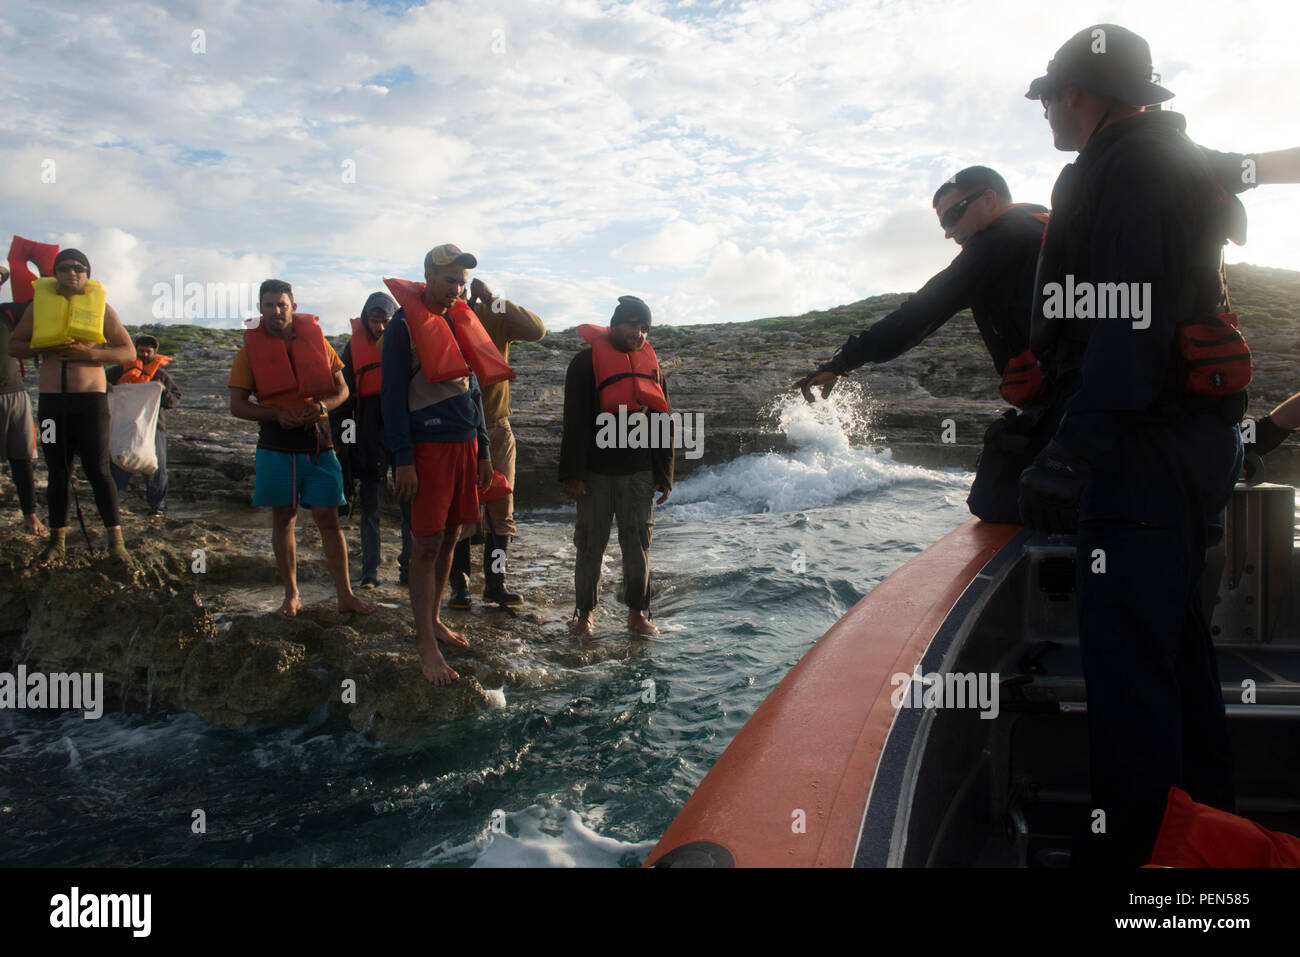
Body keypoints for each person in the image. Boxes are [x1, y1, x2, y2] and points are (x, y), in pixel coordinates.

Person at [1016, 24, 1245, 867]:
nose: (1045, 112)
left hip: (1143, 452)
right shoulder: (1167, 157)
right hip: (1185, 443)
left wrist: (1073, 449)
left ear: (1084, 95)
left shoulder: (1126, 166)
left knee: (1130, 671)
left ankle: (1143, 871)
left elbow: (1127, 320)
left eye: (1050, 97)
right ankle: (1206, 848)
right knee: (1177, 651)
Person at [796, 167, 1057, 523]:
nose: (949, 232)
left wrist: (841, 362)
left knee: (994, 500)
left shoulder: (1000, 241)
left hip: (1065, 400)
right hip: (1088, 396)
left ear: (989, 199)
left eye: (953, 215)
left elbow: (920, 313)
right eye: (943, 224)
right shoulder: (1042, 228)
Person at [381, 245, 504, 685]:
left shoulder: (459, 321)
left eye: (462, 283)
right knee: (426, 545)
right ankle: (425, 646)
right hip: (427, 450)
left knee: (454, 535)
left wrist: (485, 449)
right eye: (450, 280)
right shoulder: (402, 327)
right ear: (429, 276)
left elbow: (473, 393)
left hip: (465, 445)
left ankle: (433, 620)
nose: (457, 289)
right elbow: (391, 398)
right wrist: (403, 460)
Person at [228, 279, 375, 618]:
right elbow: (237, 405)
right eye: (268, 305)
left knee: (329, 520)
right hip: (275, 446)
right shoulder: (248, 351)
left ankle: (345, 595)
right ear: (260, 309)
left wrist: (323, 407)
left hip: (319, 444)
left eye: (282, 304)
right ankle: (291, 596)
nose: (276, 311)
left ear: (293, 305)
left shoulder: (318, 342)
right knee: (284, 518)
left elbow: (342, 390)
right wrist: (275, 414)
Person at [7, 249, 135, 565]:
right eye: (65, 268)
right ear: (56, 274)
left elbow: (128, 351)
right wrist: (44, 346)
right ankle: (56, 542)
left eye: (79, 268)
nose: (73, 273)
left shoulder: (103, 309)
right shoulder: (38, 308)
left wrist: (91, 356)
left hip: (90, 403)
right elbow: (14, 346)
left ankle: (116, 543)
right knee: (58, 472)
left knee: (98, 470)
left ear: (88, 274)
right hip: (53, 405)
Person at [559, 295, 673, 638]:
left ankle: (637, 613)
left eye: (643, 328)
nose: (637, 333)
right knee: (590, 544)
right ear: (613, 324)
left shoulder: (651, 366)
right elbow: (574, 421)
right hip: (594, 473)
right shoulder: (584, 363)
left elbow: (661, 421)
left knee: (638, 543)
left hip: (637, 472)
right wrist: (572, 474)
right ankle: (584, 615)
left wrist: (664, 475)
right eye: (631, 324)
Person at [448, 275, 545, 609]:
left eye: (459, 282)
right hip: (454, 430)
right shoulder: (435, 320)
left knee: (502, 508)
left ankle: (495, 583)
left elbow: (536, 330)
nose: (456, 290)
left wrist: (493, 299)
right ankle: (459, 587)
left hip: (496, 425)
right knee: (458, 512)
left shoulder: (493, 314)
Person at [334, 291, 399, 588]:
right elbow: (344, 402)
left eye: (386, 321)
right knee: (371, 506)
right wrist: (345, 443)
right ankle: (369, 572)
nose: (381, 328)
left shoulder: (405, 342)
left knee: (410, 502)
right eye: (375, 322)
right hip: (368, 432)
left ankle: (408, 567)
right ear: (366, 320)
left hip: (400, 429)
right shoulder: (352, 348)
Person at [107, 335, 180, 516]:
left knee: (156, 467)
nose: (145, 354)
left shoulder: (161, 376)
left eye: (148, 351)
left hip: (154, 427)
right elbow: (98, 386)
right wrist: (107, 387)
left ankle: (157, 506)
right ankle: (113, 503)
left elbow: (174, 400)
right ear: (135, 350)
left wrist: (162, 392)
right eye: (141, 351)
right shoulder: (116, 372)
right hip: (123, 426)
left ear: (155, 352)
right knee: (118, 462)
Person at [0, 267, 45, 536]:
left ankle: (30, 516)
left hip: (13, 394)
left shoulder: (8, 312)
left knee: (23, 459)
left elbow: (42, 306)